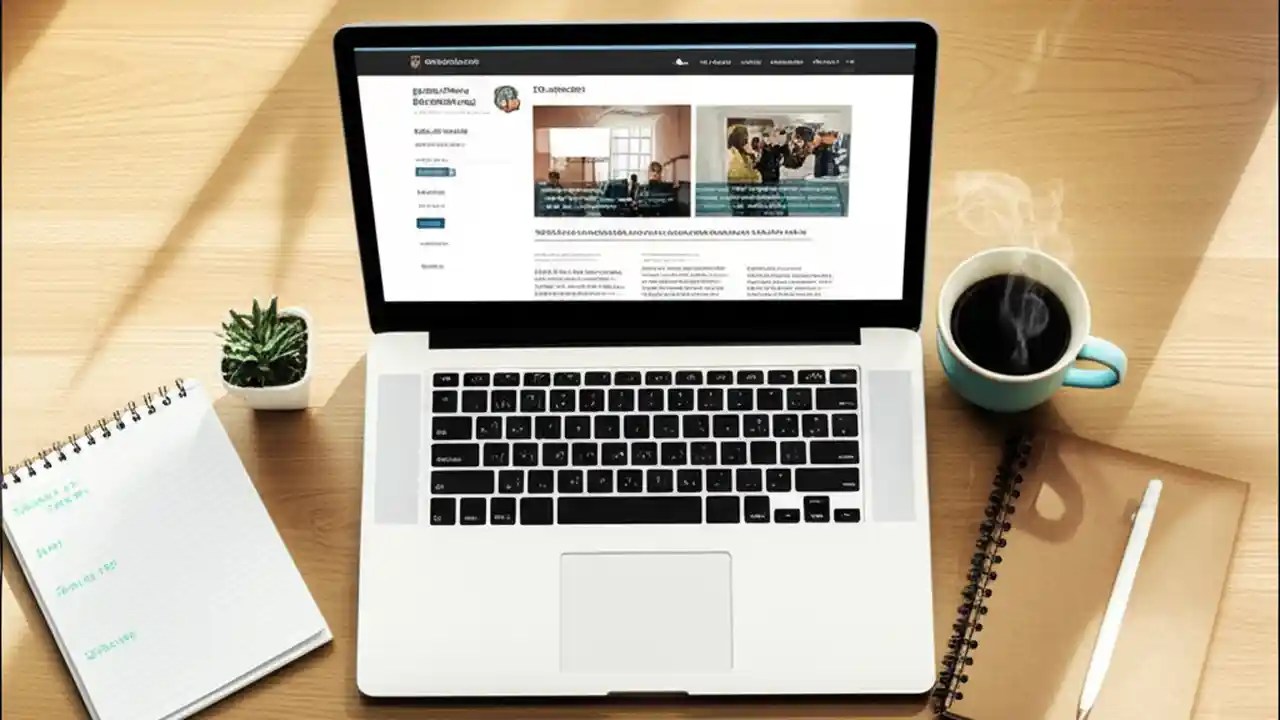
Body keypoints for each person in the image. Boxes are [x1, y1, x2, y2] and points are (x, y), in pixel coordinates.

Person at [726, 124, 761, 216]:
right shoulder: (732, 155)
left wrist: (753, 156)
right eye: (744, 138)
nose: (746, 142)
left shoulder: (744, 154)